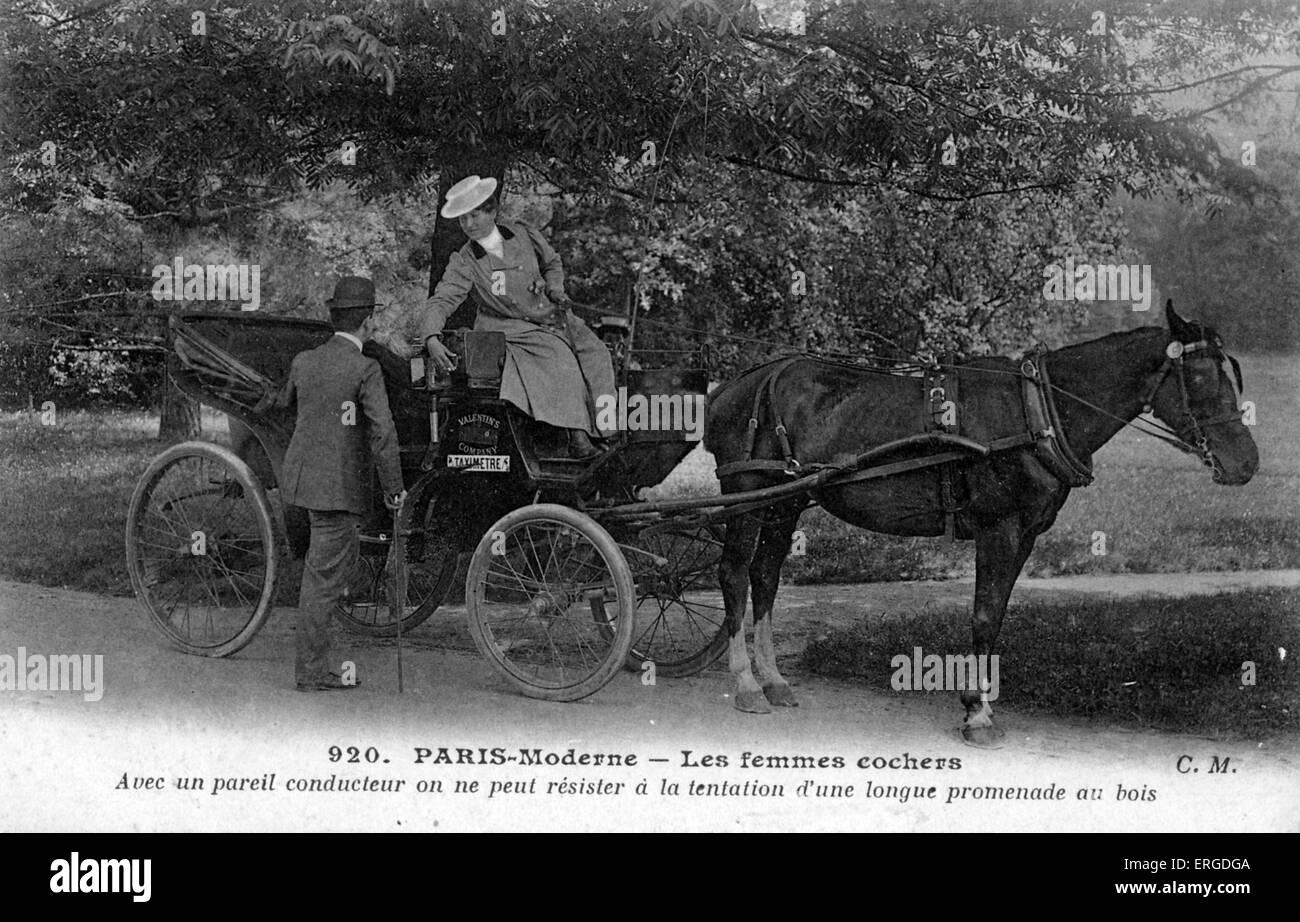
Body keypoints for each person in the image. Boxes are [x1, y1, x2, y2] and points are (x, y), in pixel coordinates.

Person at [274, 276, 406, 691]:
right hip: (337, 489)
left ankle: (313, 666)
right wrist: (394, 488)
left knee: (323, 572)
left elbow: (283, 405)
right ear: (367, 323)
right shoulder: (366, 368)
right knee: (323, 580)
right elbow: (382, 434)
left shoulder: (304, 361)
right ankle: (311, 673)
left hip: (300, 482)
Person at [421, 175, 615, 458]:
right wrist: (431, 337)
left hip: (552, 317)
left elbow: (552, 264)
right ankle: (579, 440)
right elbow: (441, 300)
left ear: (493, 211)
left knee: (597, 353)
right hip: (509, 328)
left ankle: (607, 432)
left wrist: (553, 288)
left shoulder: (523, 233)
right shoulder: (464, 261)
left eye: (474, 215)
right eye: (463, 219)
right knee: (559, 358)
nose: (469, 224)